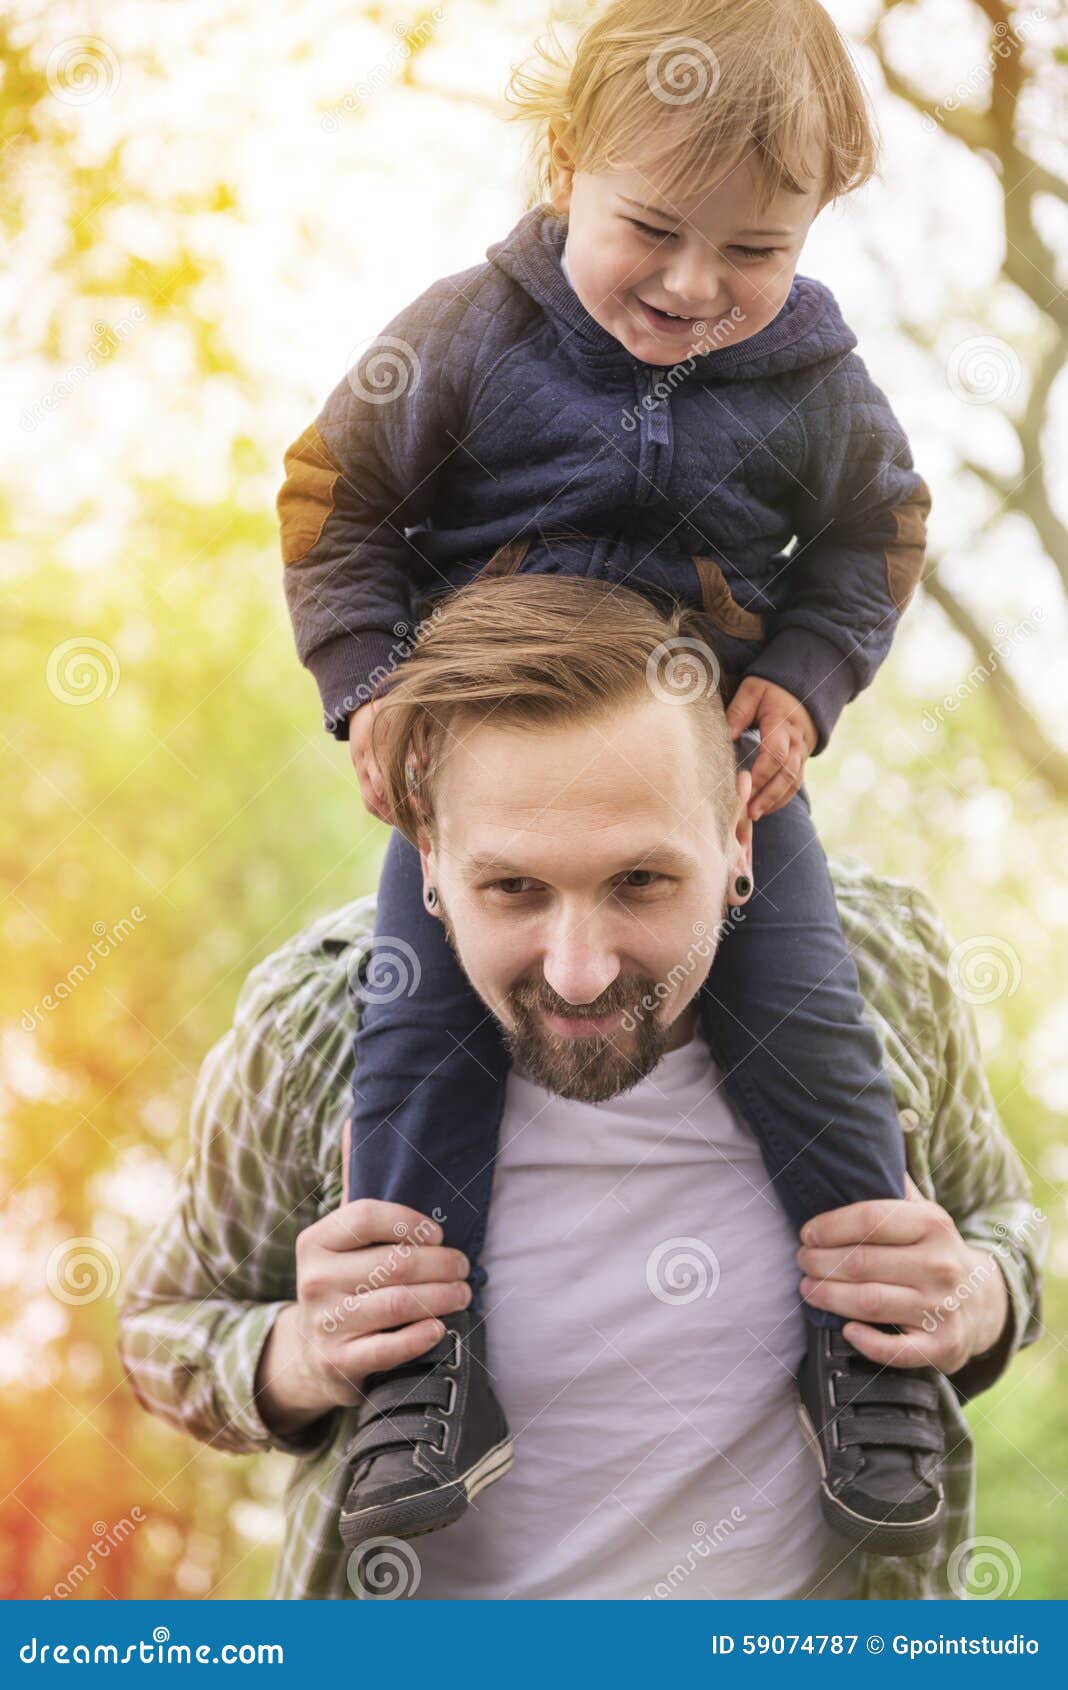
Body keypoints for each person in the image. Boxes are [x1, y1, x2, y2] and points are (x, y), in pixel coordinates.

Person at [274, 0, 935, 1552]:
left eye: (756, 251)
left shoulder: (817, 382)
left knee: (815, 1031)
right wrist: (368, 680)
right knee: (417, 1042)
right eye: (654, 228)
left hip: (709, 794)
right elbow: (333, 500)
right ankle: (422, 1370)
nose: (698, 287)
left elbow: (871, 542)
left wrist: (809, 683)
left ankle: (868, 1356)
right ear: (566, 165)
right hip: (488, 781)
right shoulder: (465, 336)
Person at [117, 577, 1043, 1601]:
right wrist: (302, 1353)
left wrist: (982, 1294)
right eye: (512, 887)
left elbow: (1008, 1225)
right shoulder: (314, 1024)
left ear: (741, 837)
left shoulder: (889, 973)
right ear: (430, 861)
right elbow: (163, 1323)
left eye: (641, 882)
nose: (578, 970)